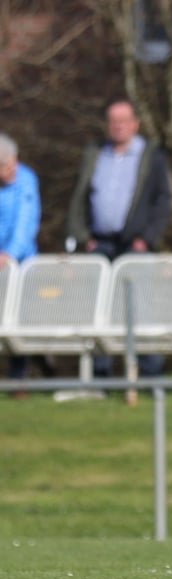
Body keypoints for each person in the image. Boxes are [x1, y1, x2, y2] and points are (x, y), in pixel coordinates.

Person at [66, 98, 171, 377]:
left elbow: (163, 201)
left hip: (135, 244)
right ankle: (101, 376)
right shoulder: (95, 153)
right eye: (113, 121)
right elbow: (80, 196)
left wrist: (147, 238)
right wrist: (83, 236)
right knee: (97, 307)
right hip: (98, 242)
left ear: (135, 123)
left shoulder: (152, 156)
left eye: (123, 121)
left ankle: (149, 373)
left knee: (141, 307)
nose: (118, 126)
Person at [0, 132, 41, 388]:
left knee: (19, 319)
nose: (10, 170)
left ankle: (19, 380)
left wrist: (9, 254)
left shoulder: (26, 180)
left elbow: (25, 224)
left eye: (12, 163)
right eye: (4, 166)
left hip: (21, 264)